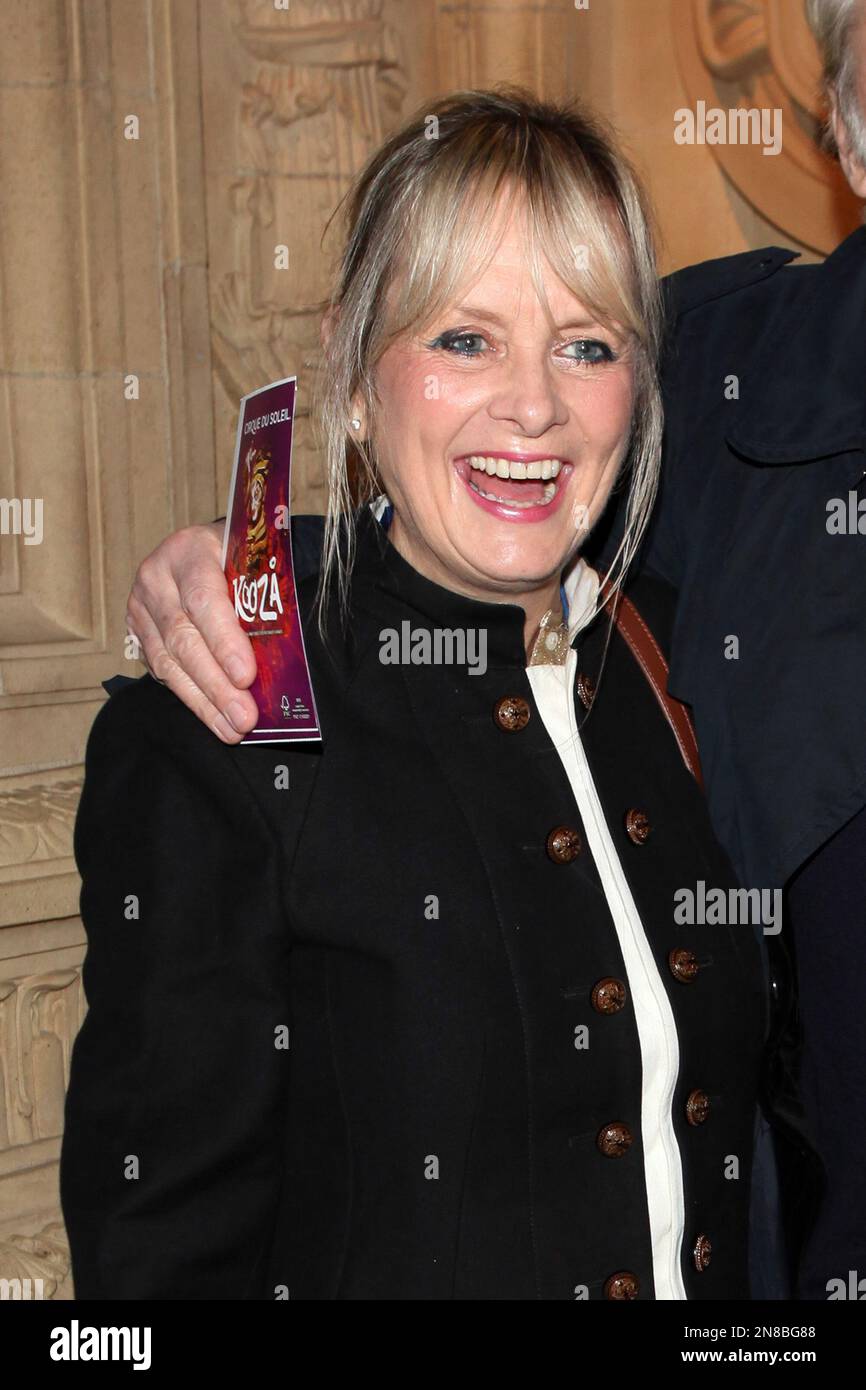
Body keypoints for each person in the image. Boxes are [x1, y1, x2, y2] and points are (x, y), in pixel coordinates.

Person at [61, 89, 773, 1301]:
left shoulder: (668, 660)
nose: (534, 404)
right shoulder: (227, 713)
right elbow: (155, 1259)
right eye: (462, 339)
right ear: (350, 376)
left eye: (585, 344)